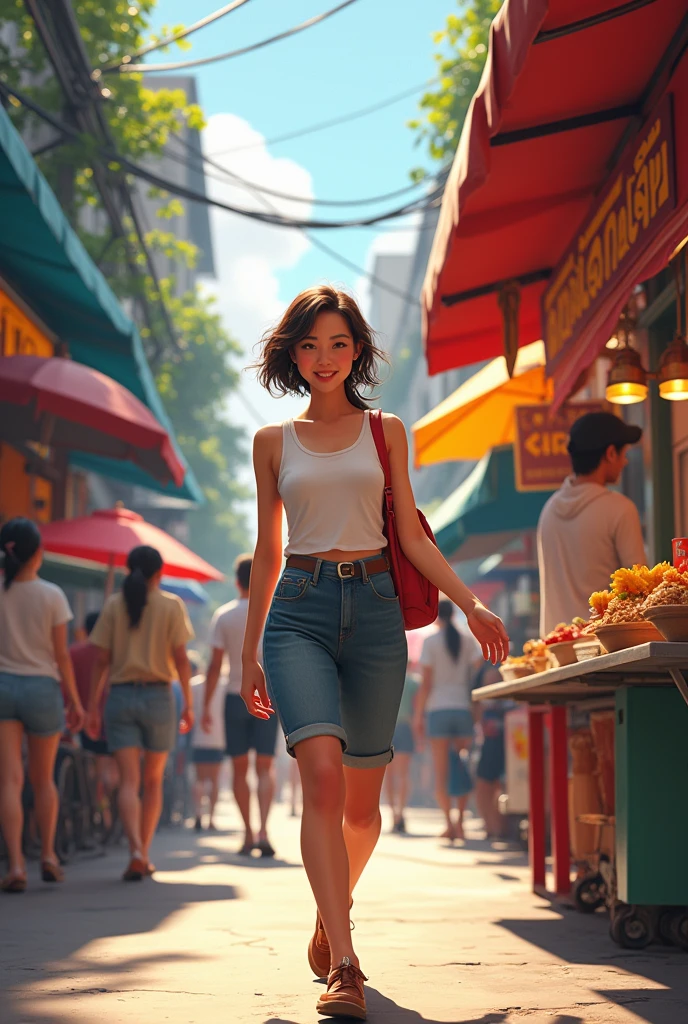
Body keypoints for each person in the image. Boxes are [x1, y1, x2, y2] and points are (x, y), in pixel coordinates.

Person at [241, 285, 509, 1019]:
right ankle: (347, 965)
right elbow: (267, 554)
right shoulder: (272, 443)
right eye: (309, 344)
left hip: (379, 616)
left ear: (356, 350)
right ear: (292, 354)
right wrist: (248, 650)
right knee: (320, 780)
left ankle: (329, 915)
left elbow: (413, 538)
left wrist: (471, 600)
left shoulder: (386, 429)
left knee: (362, 809)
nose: (324, 358)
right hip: (298, 611)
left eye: (337, 343)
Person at [85, 545, 194, 881]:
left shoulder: (115, 605)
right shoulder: (171, 606)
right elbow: (181, 659)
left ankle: (134, 850)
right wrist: (188, 703)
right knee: (153, 781)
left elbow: (101, 660)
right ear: (159, 573)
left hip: (120, 697)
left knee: (128, 782)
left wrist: (92, 707)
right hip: (160, 698)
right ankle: (143, 853)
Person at [0, 518, 84, 893]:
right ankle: (48, 855)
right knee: (43, 778)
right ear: (38, 552)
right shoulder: (52, 594)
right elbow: (61, 657)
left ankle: (16, 864)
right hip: (42, 690)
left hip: (3, 687)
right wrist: (76, 702)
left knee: (10, 780)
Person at [537, 411, 647, 636]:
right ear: (610, 453)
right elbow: (640, 591)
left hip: (557, 650)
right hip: (606, 653)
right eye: (623, 453)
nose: (626, 461)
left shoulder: (548, 511)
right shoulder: (620, 509)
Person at [203, 554, 278, 857]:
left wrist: (206, 705)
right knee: (264, 767)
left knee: (238, 768)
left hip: (235, 697)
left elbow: (214, 665)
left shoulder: (224, 615)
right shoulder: (272, 612)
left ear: (236, 581)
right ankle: (263, 831)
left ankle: (247, 833)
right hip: (267, 695)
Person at [414, 600, 482, 842]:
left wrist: (418, 716)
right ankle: (462, 823)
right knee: (460, 767)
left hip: (438, 709)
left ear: (436, 615)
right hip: (463, 707)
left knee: (441, 772)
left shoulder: (430, 642)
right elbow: (477, 668)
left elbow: (427, 683)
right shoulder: (466, 640)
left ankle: (449, 824)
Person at [70, 611, 118, 826]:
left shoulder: (74, 652)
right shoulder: (114, 653)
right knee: (110, 768)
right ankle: (108, 812)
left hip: (82, 717)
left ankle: (96, 806)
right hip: (110, 716)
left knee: (91, 768)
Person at [190, 662, 225, 831]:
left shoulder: (194, 685)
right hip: (218, 739)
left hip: (199, 738)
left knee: (200, 779)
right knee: (214, 780)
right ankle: (211, 818)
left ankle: (198, 814)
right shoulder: (223, 685)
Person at [385, 669, 420, 834]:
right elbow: (417, 707)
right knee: (403, 775)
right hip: (405, 728)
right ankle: (401, 812)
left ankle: (394, 815)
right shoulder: (413, 682)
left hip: (386, 728)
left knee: (389, 776)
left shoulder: (383, 677)